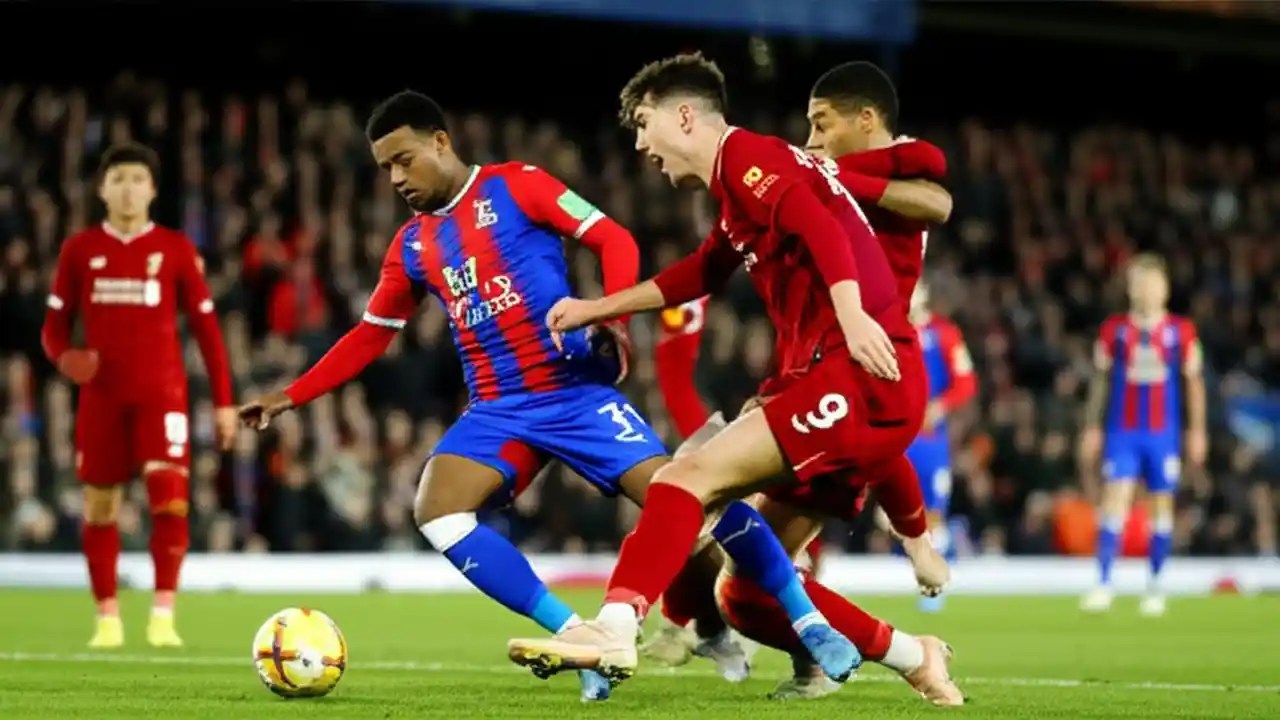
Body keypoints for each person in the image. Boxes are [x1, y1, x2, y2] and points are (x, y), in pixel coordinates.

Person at [506, 53, 948, 695]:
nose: (639, 143)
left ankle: (616, 623)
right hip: (829, 379)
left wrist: (852, 316)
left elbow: (822, 222)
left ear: (685, 116)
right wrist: (599, 307)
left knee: (686, 476)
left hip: (855, 373)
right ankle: (915, 656)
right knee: (747, 590)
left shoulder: (750, 157)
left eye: (643, 123)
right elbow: (700, 273)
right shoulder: (737, 193)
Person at [238, 90, 680, 702]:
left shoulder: (519, 185)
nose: (396, 178)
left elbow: (615, 239)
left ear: (441, 142)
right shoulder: (413, 246)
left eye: (405, 159)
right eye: (386, 168)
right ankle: (577, 633)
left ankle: (806, 625)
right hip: (498, 408)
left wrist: (612, 319)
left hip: (571, 389)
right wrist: (291, 395)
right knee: (437, 509)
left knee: (682, 499)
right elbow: (371, 335)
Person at [41, 142, 237, 649]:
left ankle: (162, 616)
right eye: (118, 179)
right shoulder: (79, 250)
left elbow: (208, 332)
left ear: (151, 189)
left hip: (162, 395)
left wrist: (222, 402)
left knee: (169, 502)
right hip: (102, 398)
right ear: (102, 189)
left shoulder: (174, 250)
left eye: (137, 179)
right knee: (100, 507)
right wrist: (66, 359)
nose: (128, 188)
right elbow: (54, 330)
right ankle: (107, 619)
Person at [1079, 253, 1206, 617]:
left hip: (1162, 433)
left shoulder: (1181, 332)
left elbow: (1193, 383)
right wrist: (1092, 426)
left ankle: (1156, 585)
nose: (1146, 290)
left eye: (1152, 283)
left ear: (1164, 289)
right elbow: (1101, 381)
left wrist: (1197, 431)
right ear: (1130, 289)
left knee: (1161, 504)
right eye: (1138, 283)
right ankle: (1104, 583)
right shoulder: (1114, 330)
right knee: (1113, 500)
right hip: (1123, 431)